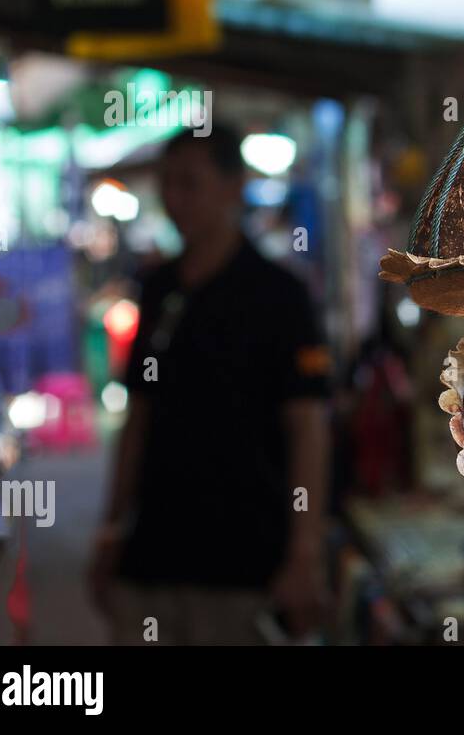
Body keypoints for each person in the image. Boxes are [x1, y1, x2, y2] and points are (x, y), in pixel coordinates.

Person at [89, 126, 332, 645]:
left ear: (232, 187)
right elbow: (139, 417)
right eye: (166, 184)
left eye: (189, 183)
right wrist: (110, 531)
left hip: (243, 564)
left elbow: (307, 430)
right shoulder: (157, 288)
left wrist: (304, 554)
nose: (174, 199)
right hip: (151, 555)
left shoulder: (279, 296)